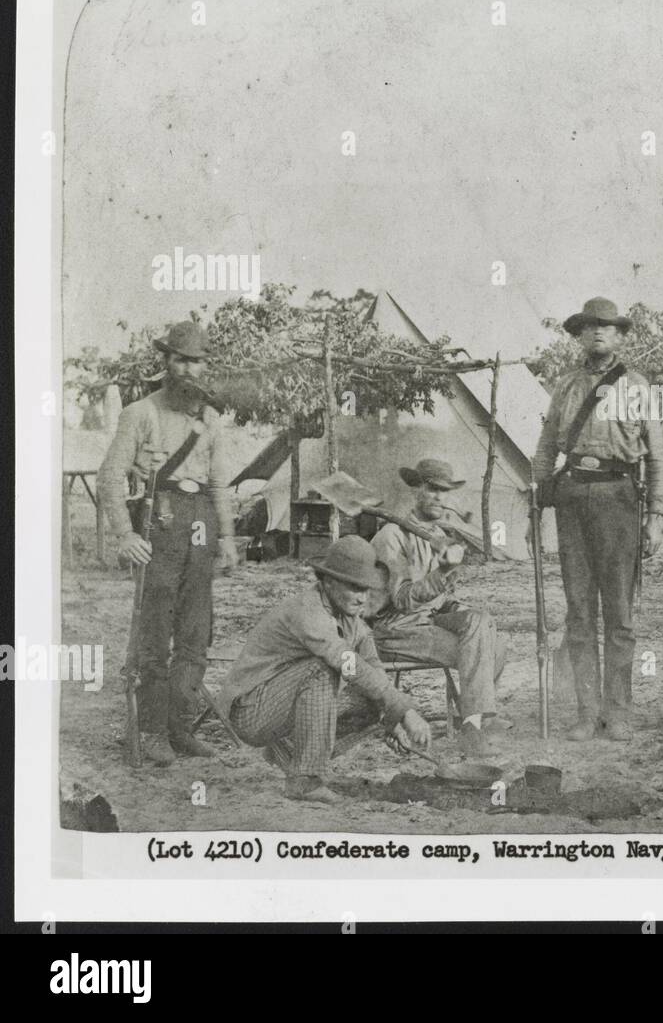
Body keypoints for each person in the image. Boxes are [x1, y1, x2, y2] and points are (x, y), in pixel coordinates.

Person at [99, 321, 238, 766]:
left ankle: (180, 729)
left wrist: (229, 540)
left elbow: (218, 486)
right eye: (180, 359)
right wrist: (125, 533)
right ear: (166, 362)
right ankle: (153, 730)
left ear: (206, 366)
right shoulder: (141, 413)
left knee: (196, 635)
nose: (188, 369)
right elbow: (110, 476)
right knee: (155, 637)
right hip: (159, 521)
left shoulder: (211, 420)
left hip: (201, 526)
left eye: (196, 360)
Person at [532, 297, 663, 742]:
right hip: (572, 499)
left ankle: (620, 712)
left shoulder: (637, 387)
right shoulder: (567, 387)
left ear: (621, 335)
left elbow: (659, 459)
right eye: (589, 327)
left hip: (619, 499)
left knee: (621, 614)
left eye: (607, 327)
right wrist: (537, 502)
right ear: (579, 335)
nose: (597, 333)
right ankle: (587, 713)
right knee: (579, 611)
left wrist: (655, 518)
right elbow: (547, 448)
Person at [216, 536, 432, 802]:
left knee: (373, 700)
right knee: (325, 669)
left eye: (366, 589)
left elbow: (373, 667)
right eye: (354, 587)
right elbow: (347, 662)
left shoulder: (350, 618)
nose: (362, 598)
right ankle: (305, 781)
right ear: (328, 581)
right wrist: (407, 711)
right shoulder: (309, 610)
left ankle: (291, 753)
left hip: (280, 706)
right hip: (249, 710)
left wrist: (394, 719)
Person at [369, 457, 508, 756]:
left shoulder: (438, 536)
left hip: (426, 622)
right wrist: (442, 573)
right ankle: (473, 728)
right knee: (482, 647)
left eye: (444, 491)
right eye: (432, 489)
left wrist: (457, 603)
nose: (439, 497)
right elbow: (402, 600)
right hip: (395, 630)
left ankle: (473, 717)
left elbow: (439, 598)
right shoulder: (392, 535)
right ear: (415, 489)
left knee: (491, 632)